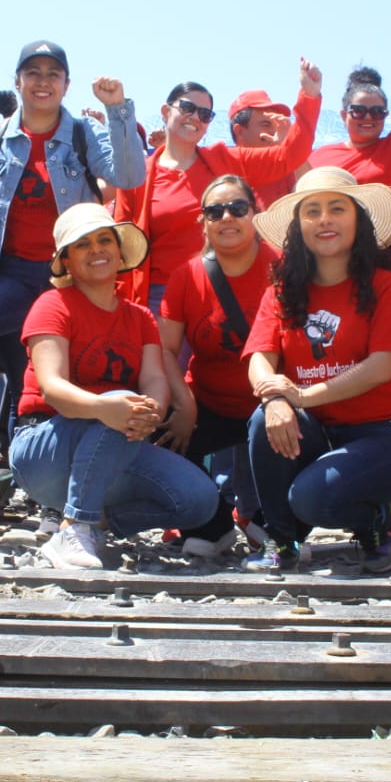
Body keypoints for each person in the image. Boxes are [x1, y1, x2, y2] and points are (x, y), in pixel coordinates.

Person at [0, 40, 146, 486]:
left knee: (30, 375)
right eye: (33, 72)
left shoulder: (86, 132)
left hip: (68, 278)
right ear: (18, 82)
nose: (42, 81)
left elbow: (129, 177)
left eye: (53, 73)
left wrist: (119, 109)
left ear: (66, 84)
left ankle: (33, 472)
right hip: (9, 274)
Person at [9, 202, 218, 569]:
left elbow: (154, 378)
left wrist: (151, 409)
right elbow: (52, 388)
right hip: (43, 448)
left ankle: (97, 523)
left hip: (115, 444)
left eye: (105, 240)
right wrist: (110, 408)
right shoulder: (52, 305)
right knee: (124, 402)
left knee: (199, 500)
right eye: (83, 245)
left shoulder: (139, 317)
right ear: (67, 262)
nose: (97, 250)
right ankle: (75, 525)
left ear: (120, 252)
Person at [243, 167, 391, 573]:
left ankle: (376, 520)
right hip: (318, 432)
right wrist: (273, 397)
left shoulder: (387, 287)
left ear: (357, 220)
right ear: (299, 227)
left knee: (311, 500)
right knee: (262, 420)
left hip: (385, 436)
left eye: (337, 209)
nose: (324, 219)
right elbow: (259, 357)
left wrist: (303, 396)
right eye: (312, 211)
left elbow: (379, 368)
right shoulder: (282, 290)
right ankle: (282, 540)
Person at [111, 63, 321, 311]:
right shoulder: (138, 175)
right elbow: (122, 245)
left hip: (220, 294)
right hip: (159, 300)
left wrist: (309, 95)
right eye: (187, 108)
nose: (195, 118)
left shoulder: (225, 160)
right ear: (165, 111)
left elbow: (289, 156)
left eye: (205, 114)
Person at [158, 174, 279, 556]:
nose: (227, 217)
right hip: (210, 401)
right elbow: (164, 349)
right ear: (204, 222)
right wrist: (184, 404)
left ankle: (271, 516)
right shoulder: (186, 277)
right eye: (215, 211)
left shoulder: (283, 268)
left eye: (237, 208)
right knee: (159, 429)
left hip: (270, 403)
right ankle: (214, 523)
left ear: (255, 214)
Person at [308, 16, 391, 221]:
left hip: (389, 250)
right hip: (330, 250)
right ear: (344, 115)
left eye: (378, 111)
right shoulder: (316, 158)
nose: (368, 117)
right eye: (359, 111)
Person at [227, 90, 303, 208]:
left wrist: (290, 145)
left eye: (276, 125)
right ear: (240, 132)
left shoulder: (286, 169)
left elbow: (316, 192)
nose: (274, 132)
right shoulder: (220, 170)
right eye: (266, 125)